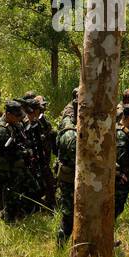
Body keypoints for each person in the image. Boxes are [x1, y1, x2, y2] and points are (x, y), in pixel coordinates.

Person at [0, 99, 37, 223]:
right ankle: (9, 220)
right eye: (17, 116)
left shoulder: (16, 124)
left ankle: (22, 212)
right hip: (8, 168)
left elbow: (23, 140)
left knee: (33, 187)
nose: (19, 118)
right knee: (10, 195)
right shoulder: (1, 130)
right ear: (8, 114)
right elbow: (8, 153)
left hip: (19, 165)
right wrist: (25, 153)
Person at [54, 102, 77, 246]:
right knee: (69, 216)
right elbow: (76, 158)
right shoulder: (70, 132)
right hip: (69, 179)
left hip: (75, 177)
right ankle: (61, 246)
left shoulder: (72, 124)